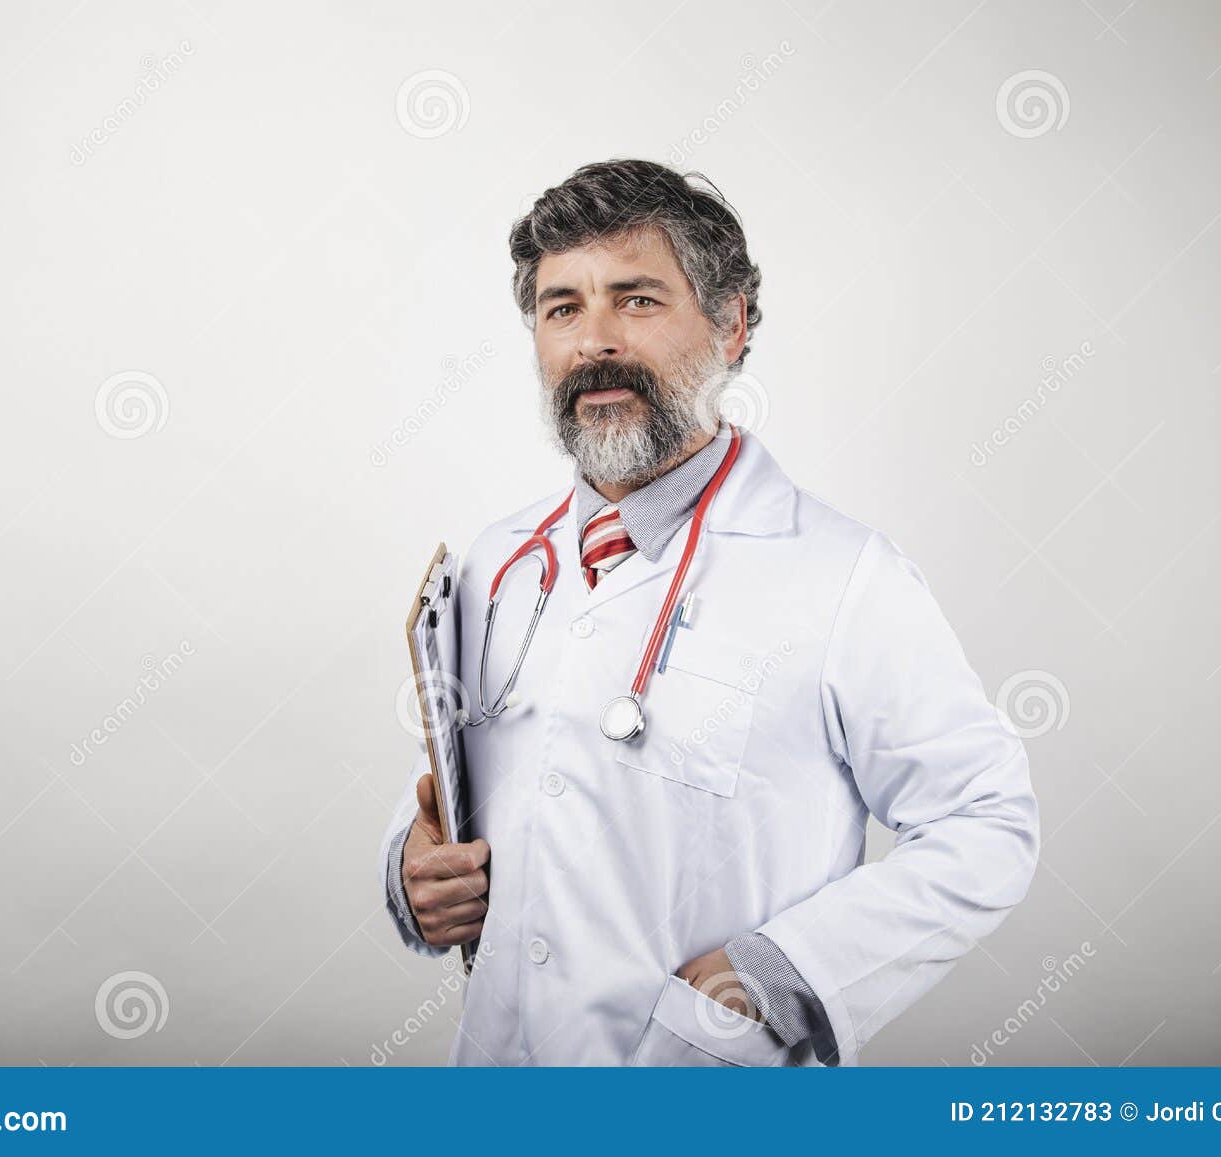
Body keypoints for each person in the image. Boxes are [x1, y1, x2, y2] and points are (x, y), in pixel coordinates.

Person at [378, 159, 1039, 1066]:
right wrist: (416, 871)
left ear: (729, 324)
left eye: (637, 300)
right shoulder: (495, 563)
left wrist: (767, 977)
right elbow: (527, 791)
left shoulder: (844, 577)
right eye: (562, 307)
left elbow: (985, 823)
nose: (593, 341)